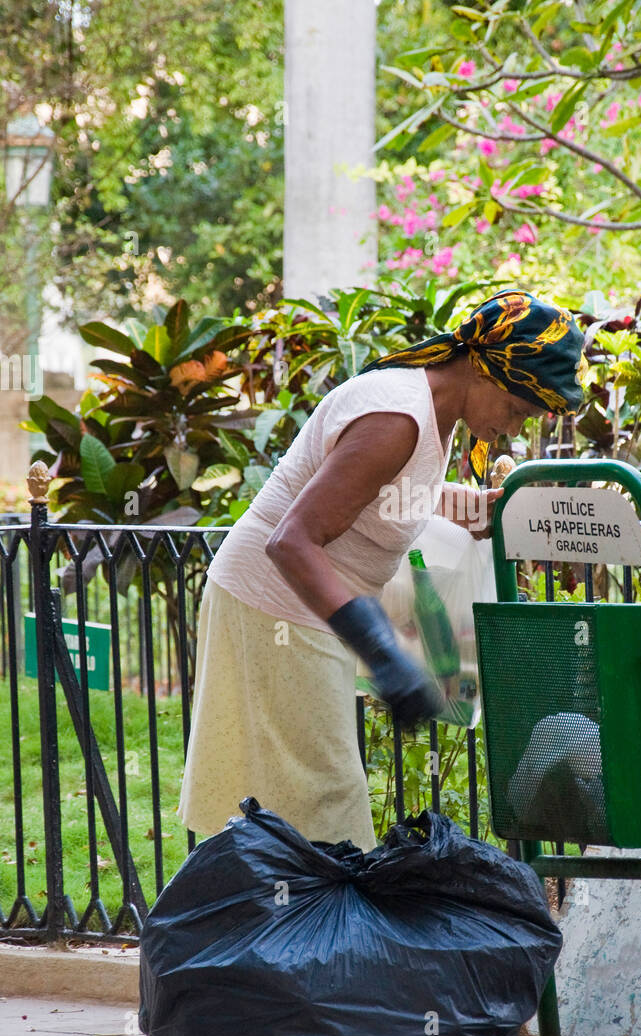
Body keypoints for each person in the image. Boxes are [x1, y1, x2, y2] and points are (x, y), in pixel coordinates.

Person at [177, 287, 585, 851]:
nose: (514, 429)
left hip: (298, 610)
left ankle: (268, 931)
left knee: (292, 816)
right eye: (517, 410)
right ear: (485, 372)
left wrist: (472, 507)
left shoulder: (430, 411)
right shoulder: (398, 416)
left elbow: (390, 492)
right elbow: (291, 541)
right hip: (274, 605)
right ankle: (308, 933)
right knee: (326, 809)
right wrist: (380, 646)